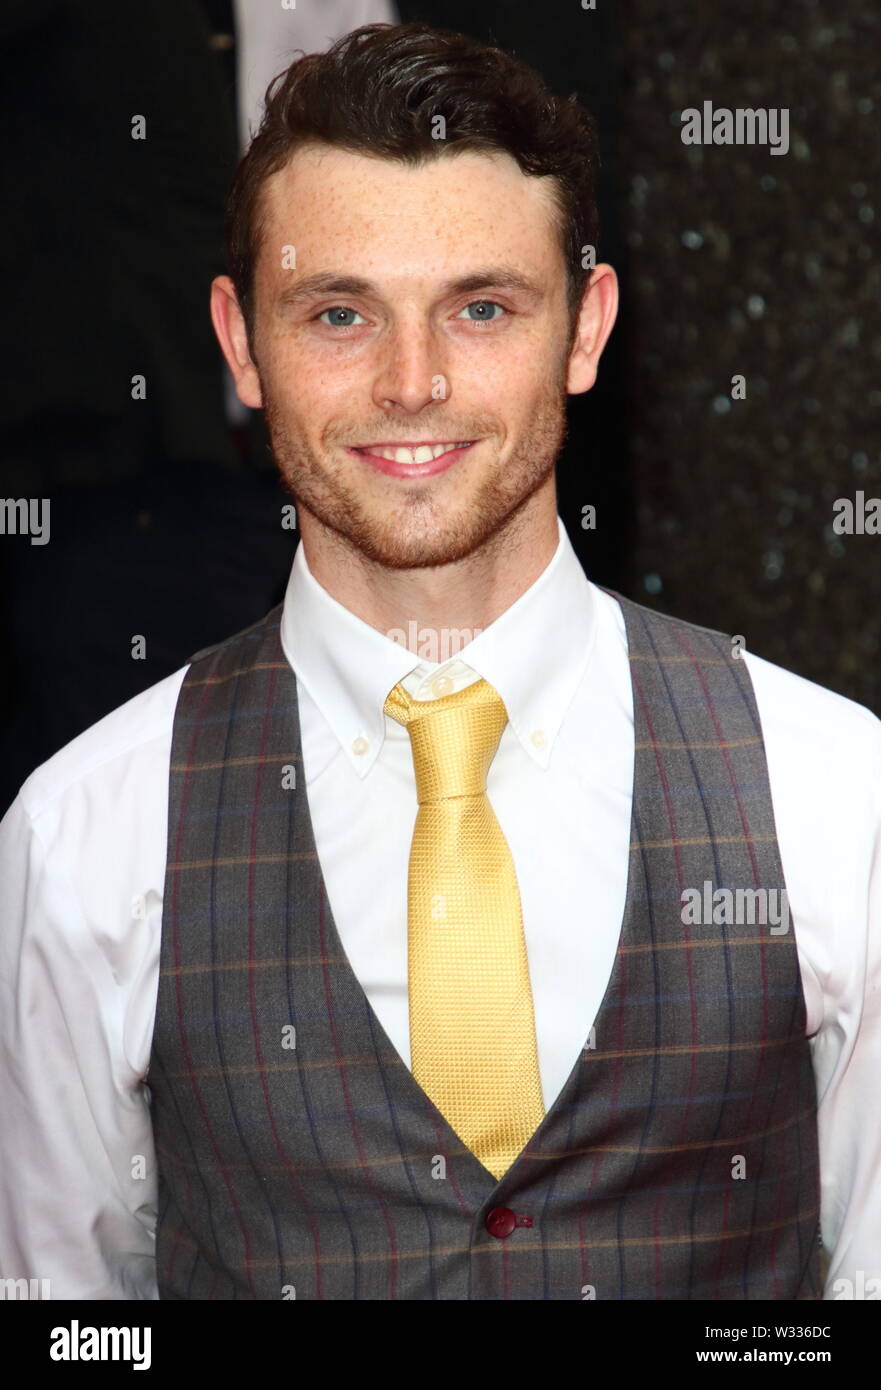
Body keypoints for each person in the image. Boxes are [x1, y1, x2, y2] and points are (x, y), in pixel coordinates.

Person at [1, 21, 878, 1302]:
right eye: (340, 312)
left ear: (584, 328)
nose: (412, 384)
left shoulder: (837, 793)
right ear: (241, 344)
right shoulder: (84, 835)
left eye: (479, 307)